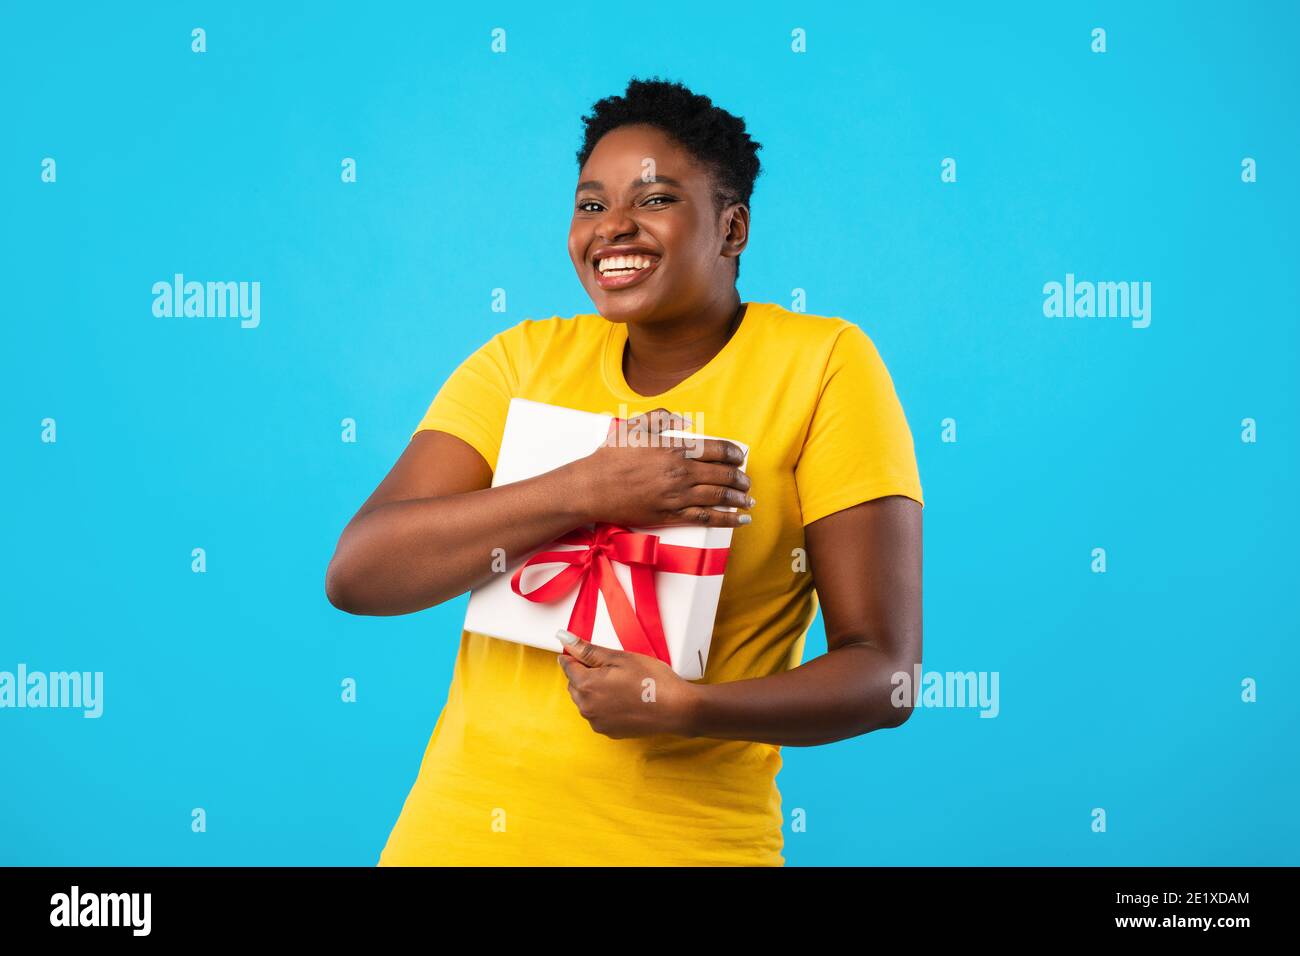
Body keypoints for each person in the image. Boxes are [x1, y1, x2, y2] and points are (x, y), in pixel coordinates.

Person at [325, 76, 924, 866]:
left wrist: (686, 708)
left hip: (684, 844)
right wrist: (590, 488)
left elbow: (885, 676)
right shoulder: (520, 362)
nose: (614, 229)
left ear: (732, 226)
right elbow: (360, 574)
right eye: (591, 205)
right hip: (458, 835)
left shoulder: (823, 367)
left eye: (656, 200)